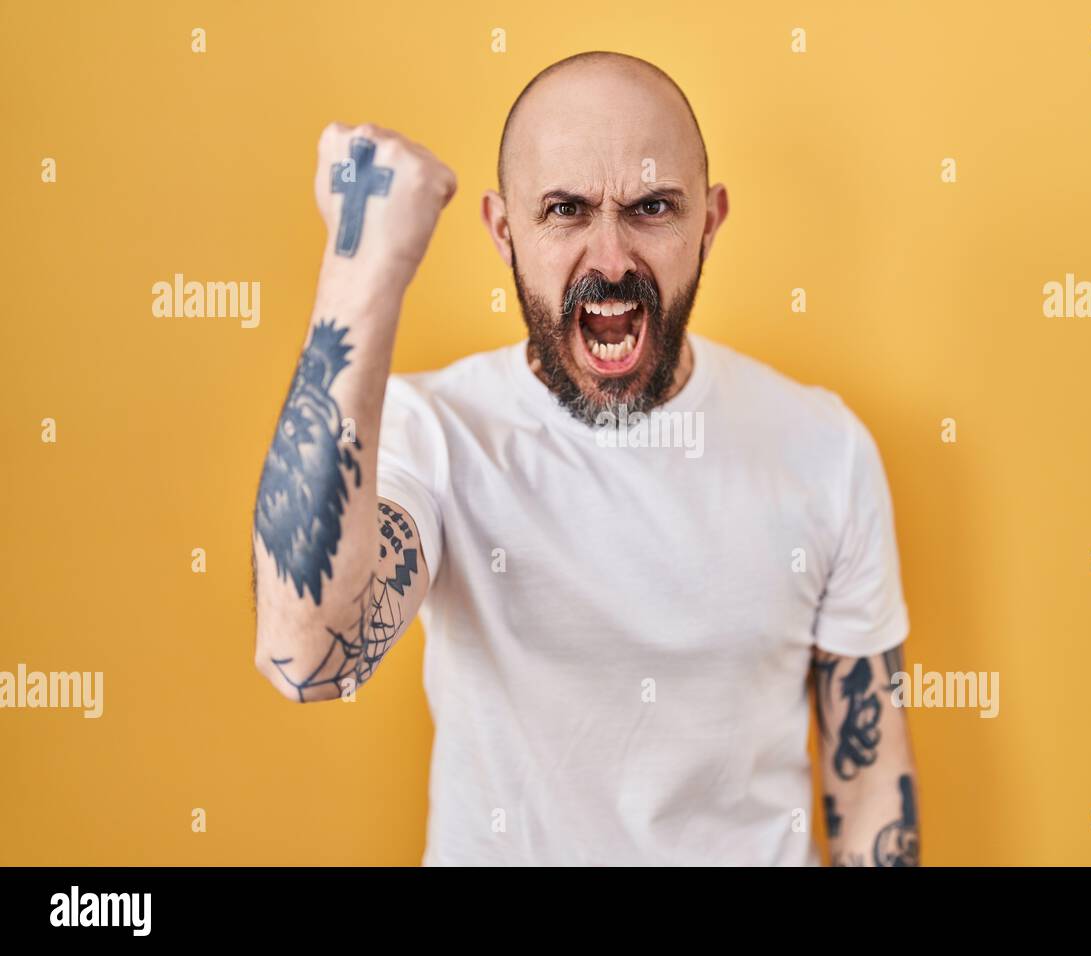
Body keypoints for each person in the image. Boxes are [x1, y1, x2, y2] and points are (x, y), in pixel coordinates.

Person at [252, 50, 918, 866]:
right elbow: (306, 653)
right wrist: (363, 267)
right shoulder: (436, 435)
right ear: (505, 231)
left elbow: (871, 779)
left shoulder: (825, 448)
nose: (609, 259)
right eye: (565, 209)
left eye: (651, 208)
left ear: (708, 222)